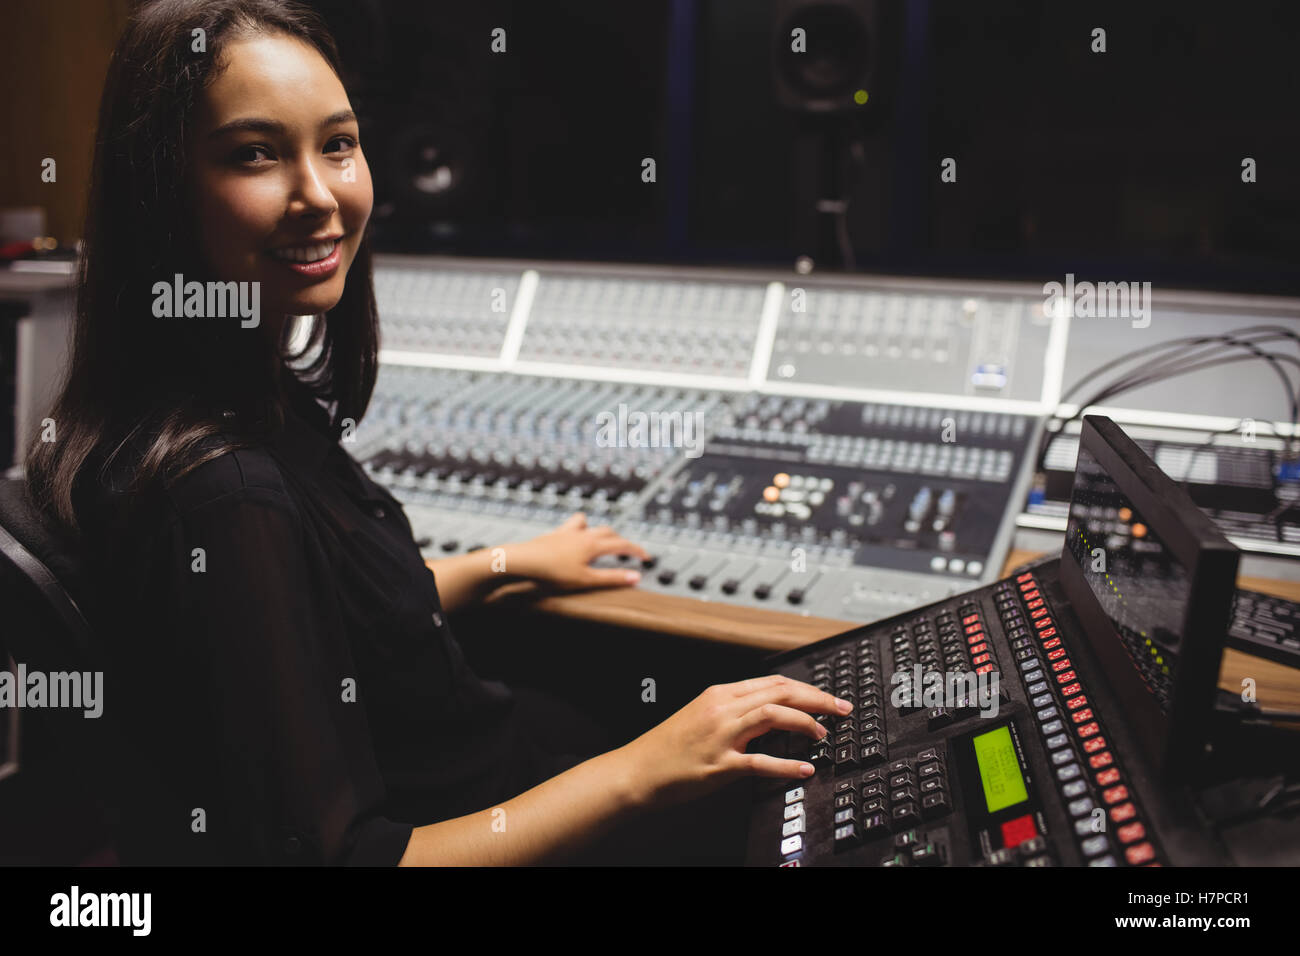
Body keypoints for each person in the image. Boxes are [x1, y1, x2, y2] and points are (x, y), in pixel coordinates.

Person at [25, 0, 847, 866]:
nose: (320, 194)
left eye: (338, 143)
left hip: (511, 760)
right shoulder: (226, 493)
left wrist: (504, 564)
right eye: (256, 155)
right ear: (159, 187)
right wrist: (644, 769)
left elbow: (314, 615)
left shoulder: (210, 403)